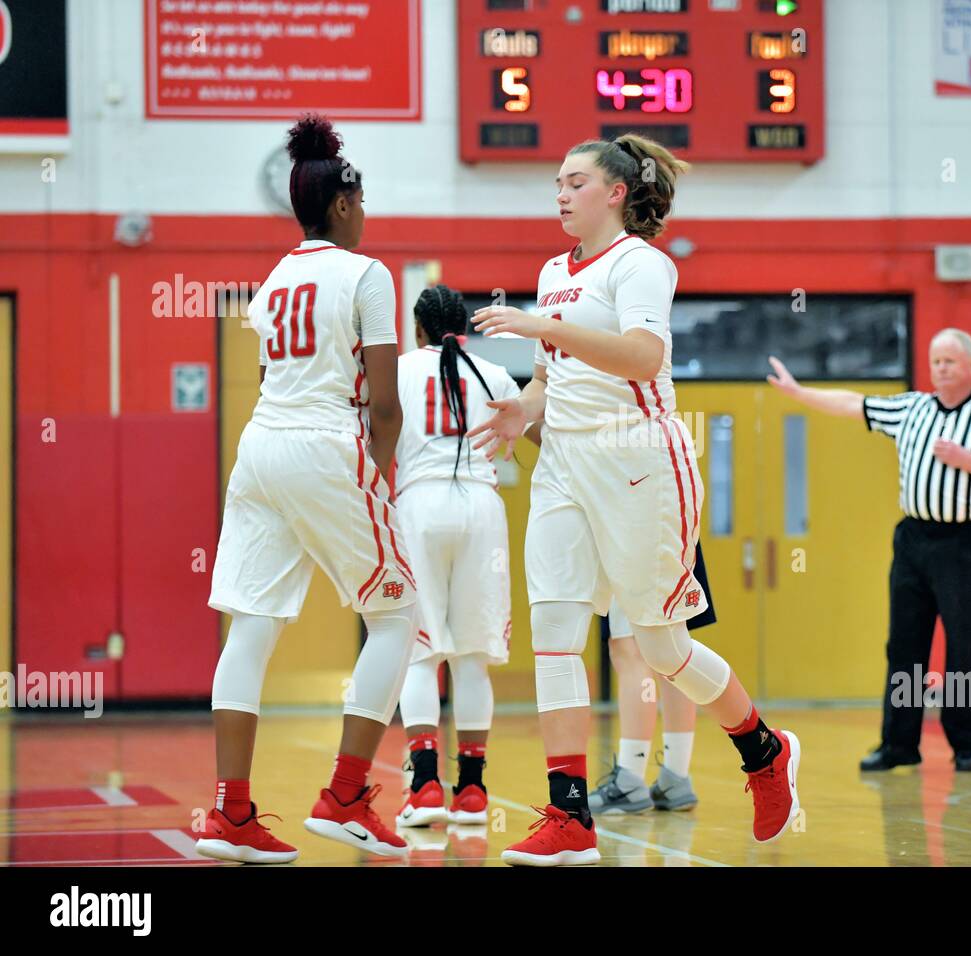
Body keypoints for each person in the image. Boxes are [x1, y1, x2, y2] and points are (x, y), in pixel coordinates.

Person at [468, 134, 800, 866]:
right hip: (564, 462)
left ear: (615, 192)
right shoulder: (554, 269)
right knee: (553, 634)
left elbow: (643, 357)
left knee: (661, 646)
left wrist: (541, 326)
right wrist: (520, 409)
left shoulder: (644, 264)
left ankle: (763, 750)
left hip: (640, 461)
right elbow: (551, 382)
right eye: (556, 181)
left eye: (575, 181)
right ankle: (570, 815)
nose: (560, 192)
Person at [199, 115, 415, 863]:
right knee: (400, 614)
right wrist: (381, 482)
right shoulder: (368, 274)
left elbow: (268, 380)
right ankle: (347, 795)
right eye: (367, 202)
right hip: (326, 445)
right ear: (347, 205)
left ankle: (229, 813)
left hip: (260, 447)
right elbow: (385, 404)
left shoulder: (273, 282)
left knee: (251, 627)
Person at [767, 329, 971, 773]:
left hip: (968, 542)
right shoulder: (911, 408)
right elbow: (855, 404)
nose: (940, 369)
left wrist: (968, 461)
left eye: (949, 361)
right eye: (935, 361)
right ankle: (898, 744)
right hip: (914, 540)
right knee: (904, 645)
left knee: (966, 648)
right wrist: (798, 392)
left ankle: (966, 745)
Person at [390, 285, 520, 828]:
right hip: (481, 508)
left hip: (420, 505)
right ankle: (472, 792)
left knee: (420, 655)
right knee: (471, 657)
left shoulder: (395, 371)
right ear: (463, 326)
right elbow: (525, 434)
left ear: (417, 328)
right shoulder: (494, 374)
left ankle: (423, 788)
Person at [589, 541, 716, 814]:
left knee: (628, 648)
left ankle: (630, 781)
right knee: (672, 645)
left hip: (632, 526)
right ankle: (676, 777)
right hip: (677, 525)